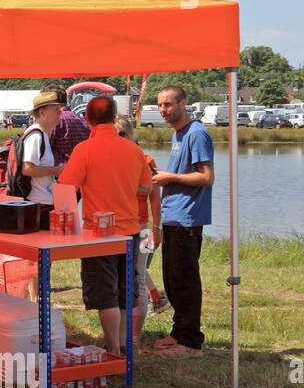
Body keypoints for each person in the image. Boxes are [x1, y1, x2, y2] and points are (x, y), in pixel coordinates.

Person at [57, 96, 151, 356]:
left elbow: (66, 186)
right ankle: (123, 345)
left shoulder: (84, 150)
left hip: (98, 234)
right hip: (130, 229)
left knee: (104, 292)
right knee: (124, 288)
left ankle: (112, 350)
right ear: (114, 117)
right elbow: (147, 185)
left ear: (87, 119)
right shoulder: (133, 149)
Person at [150, 84, 214, 359]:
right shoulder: (178, 134)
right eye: (160, 105)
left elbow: (206, 177)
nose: (164, 110)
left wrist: (169, 177)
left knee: (185, 280)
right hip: (173, 216)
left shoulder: (197, 133)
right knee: (173, 280)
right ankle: (179, 332)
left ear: (183, 104)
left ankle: (190, 343)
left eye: (169, 104)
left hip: (187, 218)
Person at [114, 116, 168, 339]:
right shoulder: (109, 160)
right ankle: (119, 330)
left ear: (128, 135)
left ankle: (134, 335)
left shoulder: (146, 160)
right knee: (117, 277)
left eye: (118, 135)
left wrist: (157, 227)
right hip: (114, 228)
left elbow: (155, 196)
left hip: (142, 227)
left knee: (137, 275)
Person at [19, 89, 67, 215]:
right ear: (42, 112)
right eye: (56, 110)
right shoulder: (36, 135)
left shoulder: (42, 135)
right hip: (38, 205)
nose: (60, 114)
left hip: (43, 202)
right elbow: (27, 169)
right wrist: (56, 170)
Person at [45, 83, 90, 165]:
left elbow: (44, 149)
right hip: (81, 172)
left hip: (59, 173)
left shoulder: (56, 120)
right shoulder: (83, 122)